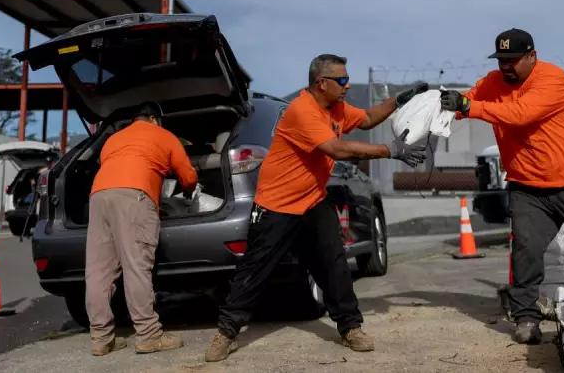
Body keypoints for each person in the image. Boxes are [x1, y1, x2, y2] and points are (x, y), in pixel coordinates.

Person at [204, 53, 429, 362]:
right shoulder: (302, 111)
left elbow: (366, 118)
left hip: (312, 200)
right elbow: (336, 149)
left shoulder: (336, 108)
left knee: (334, 264)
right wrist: (389, 150)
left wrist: (399, 100)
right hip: (277, 205)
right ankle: (226, 333)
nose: (347, 85)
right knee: (254, 271)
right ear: (322, 83)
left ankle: (350, 327)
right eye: (342, 80)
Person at [439, 29, 564, 344]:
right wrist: (430, 104)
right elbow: (464, 102)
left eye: (513, 60)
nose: (506, 66)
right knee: (525, 251)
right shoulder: (493, 82)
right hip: (528, 186)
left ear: (532, 56)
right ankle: (526, 318)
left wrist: (468, 107)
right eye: (502, 60)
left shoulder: (552, 79)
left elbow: (520, 114)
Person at [85, 101, 199, 356]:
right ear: (154, 119)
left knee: (98, 272)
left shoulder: (113, 140)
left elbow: (113, 165)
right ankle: (148, 336)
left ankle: (101, 339)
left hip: (99, 197)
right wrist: (189, 189)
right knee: (136, 266)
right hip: (134, 197)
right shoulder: (164, 135)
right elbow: (189, 177)